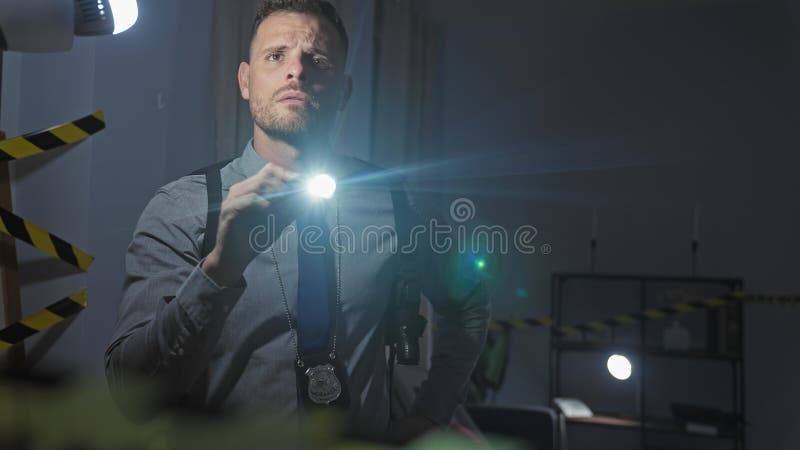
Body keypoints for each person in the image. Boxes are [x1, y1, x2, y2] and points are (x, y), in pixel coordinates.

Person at [104, 0, 489, 444]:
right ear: (245, 81)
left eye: (317, 60)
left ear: (344, 91)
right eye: (276, 56)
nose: (297, 71)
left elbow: (469, 303)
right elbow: (129, 396)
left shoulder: (400, 204)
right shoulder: (183, 208)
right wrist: (219, 269)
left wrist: (430, 414)